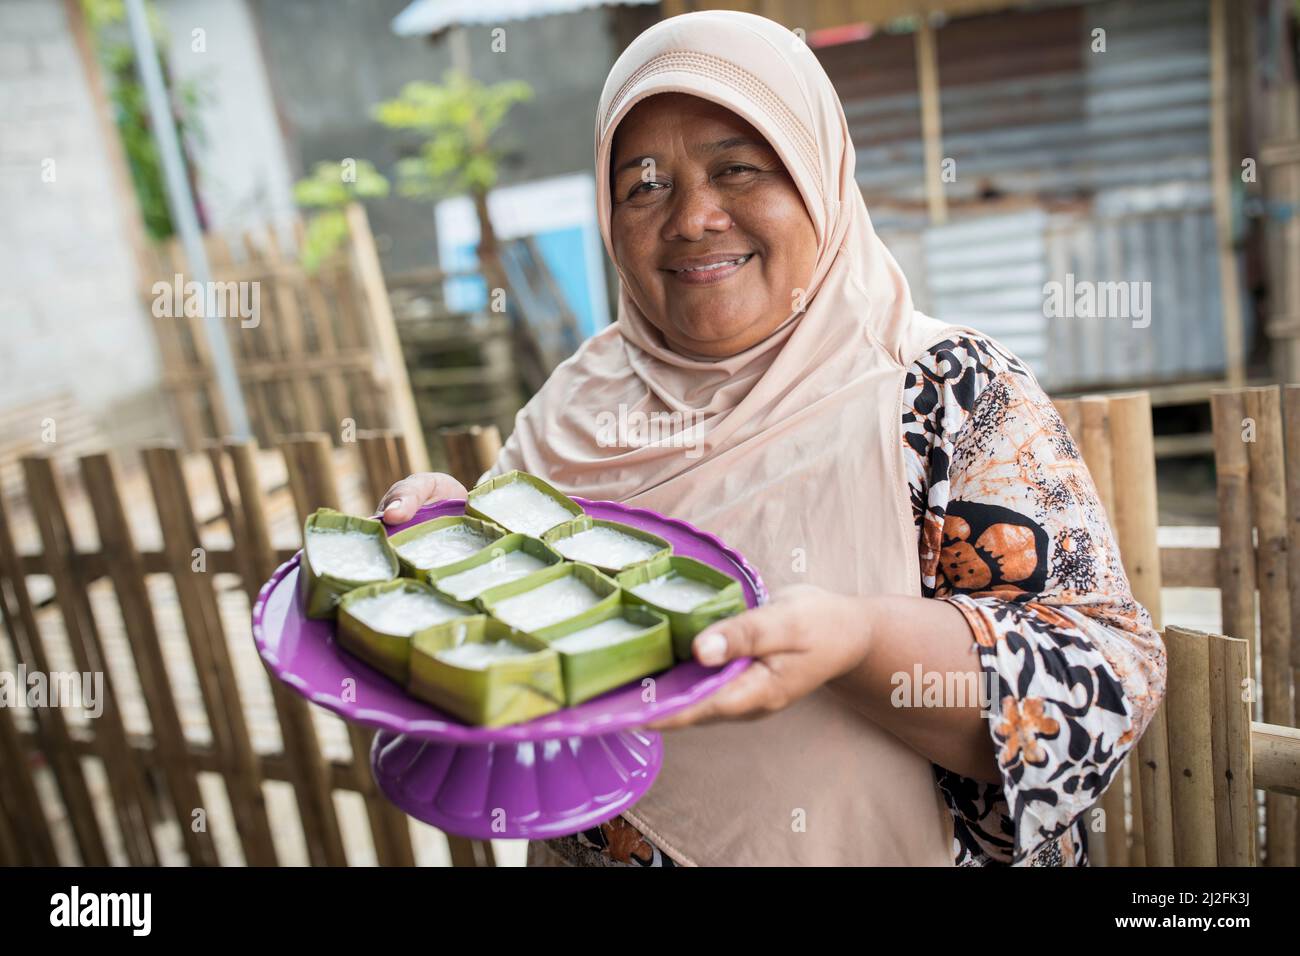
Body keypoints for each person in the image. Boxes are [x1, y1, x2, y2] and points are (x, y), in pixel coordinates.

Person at [379, 10, 1166, 867]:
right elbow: (513, 666)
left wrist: (859, 644)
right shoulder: (571, 407)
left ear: (815, 177)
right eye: (644, 184)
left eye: (738, 169)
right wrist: (450, 556)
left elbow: (1104, 684)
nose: (693, 218)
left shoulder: (944, 391)